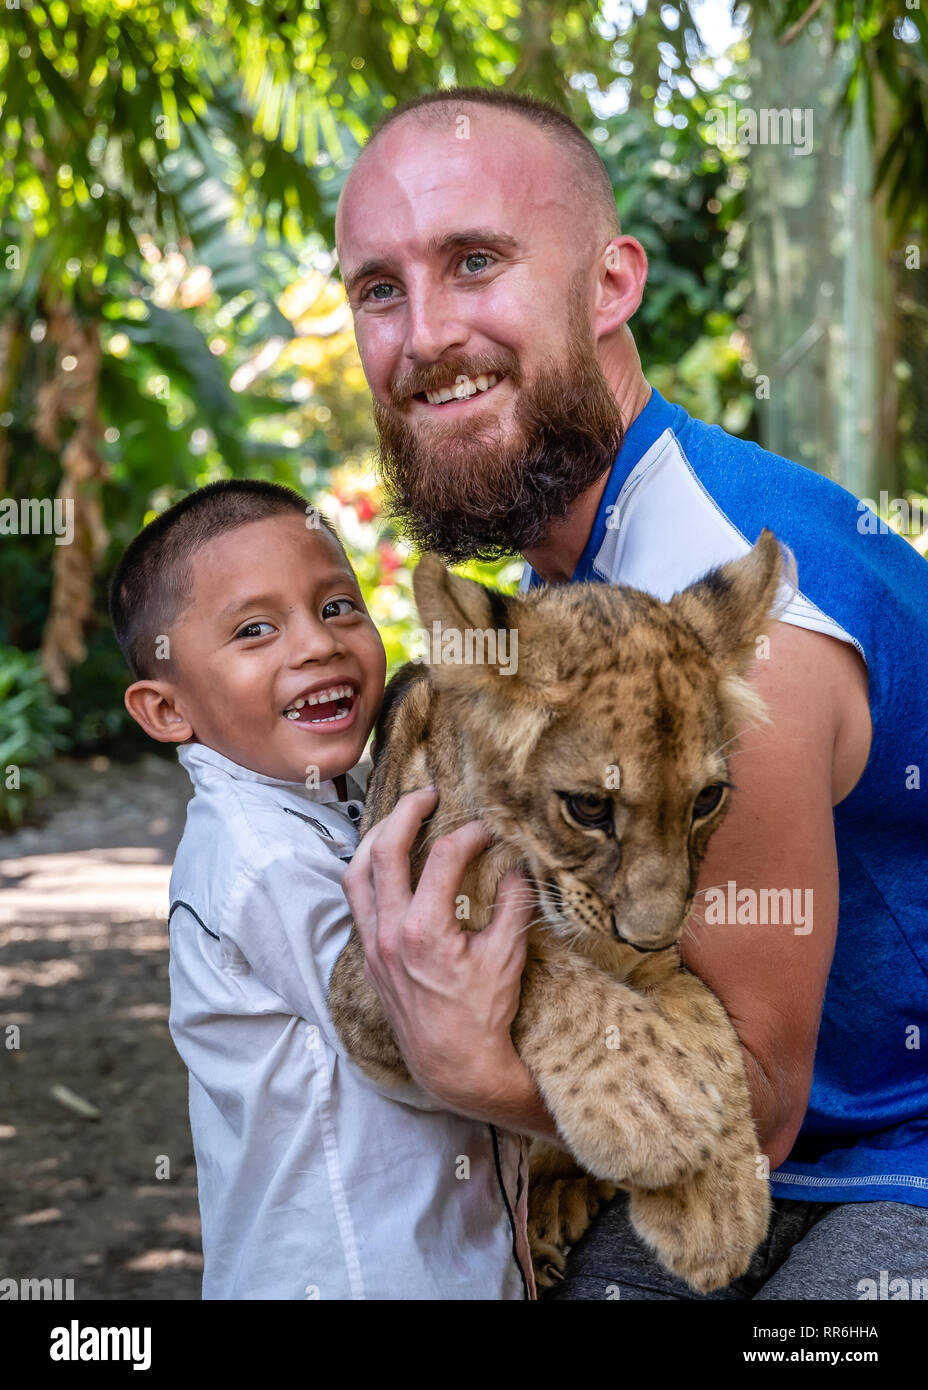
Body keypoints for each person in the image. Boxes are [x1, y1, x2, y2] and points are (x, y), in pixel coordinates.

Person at [333, 86, 928, 1299]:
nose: (423, 335)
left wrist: (465, 1064)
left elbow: (740, 1122)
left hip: (879, 1161)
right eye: (379, 289)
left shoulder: (728, 638)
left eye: (476, 261)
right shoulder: (573, 575)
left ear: (611, 285)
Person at [108, 478, 539, 1299]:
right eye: (256, 629)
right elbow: (408, 1035)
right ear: (167, 709)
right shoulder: (261, 858)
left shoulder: (334, 800)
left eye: (339, 607)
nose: (318, 645)